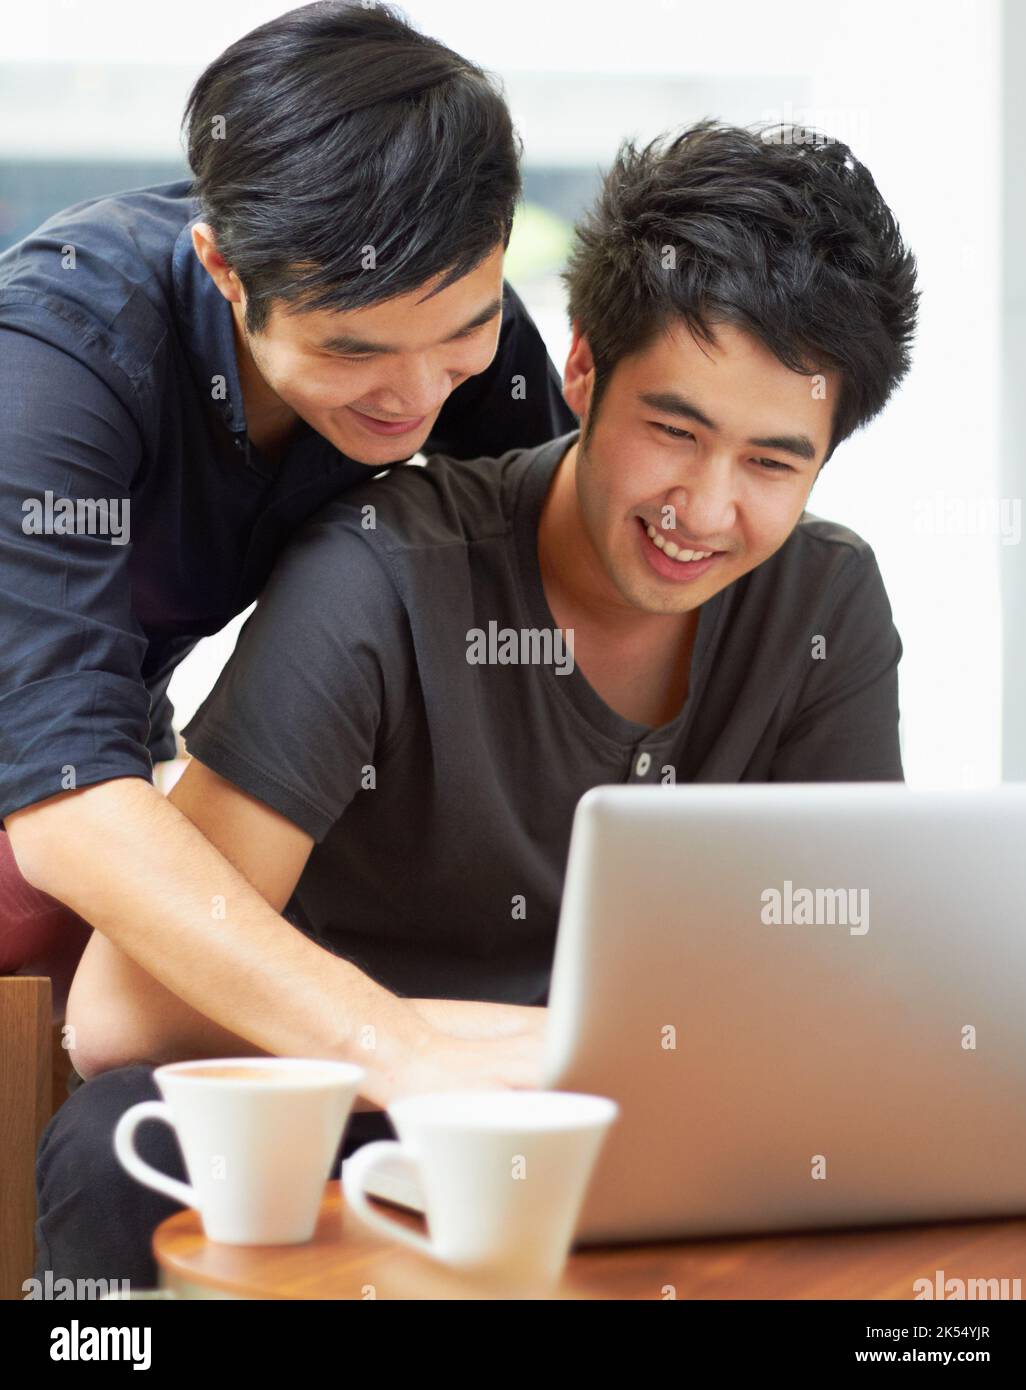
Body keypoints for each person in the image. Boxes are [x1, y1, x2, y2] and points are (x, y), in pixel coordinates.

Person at [34, 118, 920, 1288]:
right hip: (365, 1109)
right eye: (672, 430)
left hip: (631, 1119)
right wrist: (477, 1044)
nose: (703, 511)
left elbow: (833, 980)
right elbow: (121, 1016)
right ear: (583, 368)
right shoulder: (378, 571)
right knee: (118, 1153)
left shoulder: (824, 602)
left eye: (771, 462)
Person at [1, 2, 573, 1085]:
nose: (413, 395)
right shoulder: (54, 361)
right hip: (42, 791)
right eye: (353, 349)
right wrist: (397, 1047)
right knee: (102, 966)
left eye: (461, 330)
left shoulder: (468, 342)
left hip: (118, 756)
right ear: (223, 269)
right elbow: (66, 803)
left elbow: (564, 595)